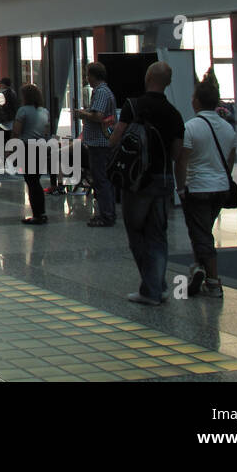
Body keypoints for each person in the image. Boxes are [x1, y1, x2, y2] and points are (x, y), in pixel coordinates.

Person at [110, 61, 184, 306]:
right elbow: (175, 153)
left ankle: (151, 289)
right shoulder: (174, 114)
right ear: (169, 82)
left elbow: (116, 138)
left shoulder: (134, 105)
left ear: (147, 76)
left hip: (137, 180)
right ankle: (158, 286)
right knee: (157, 234)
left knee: (136, 231)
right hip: (163, 179)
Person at [180, 79, 236, 298]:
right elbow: (230, 159)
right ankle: (199, 268)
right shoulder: (228, 128)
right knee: (203, 229)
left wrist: (180, 187)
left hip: (197, 187)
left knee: (202, 233)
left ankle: (213, 281)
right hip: (221, 187)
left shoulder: (191, 127)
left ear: (197, 102)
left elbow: (182, 161)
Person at [73, 61, 117, 227]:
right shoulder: (104, 91)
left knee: (100, 179)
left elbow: (98, 116)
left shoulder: (100, 92)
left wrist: (82, 113)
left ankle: (105, 215)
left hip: (99, 142)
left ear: (92, 75)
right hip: (101, 141)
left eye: (87, 75)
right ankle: (107, 212)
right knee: (102, 179)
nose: (87, 78)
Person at [14, 83, 51, 224]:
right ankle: (41, 212)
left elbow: (16, 131)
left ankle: (37, 214)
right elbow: (46, 131)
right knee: (36, 180)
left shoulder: (22, 111)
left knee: (31, 181)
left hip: (27, 147)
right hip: (41, 147)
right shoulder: (44, 112)